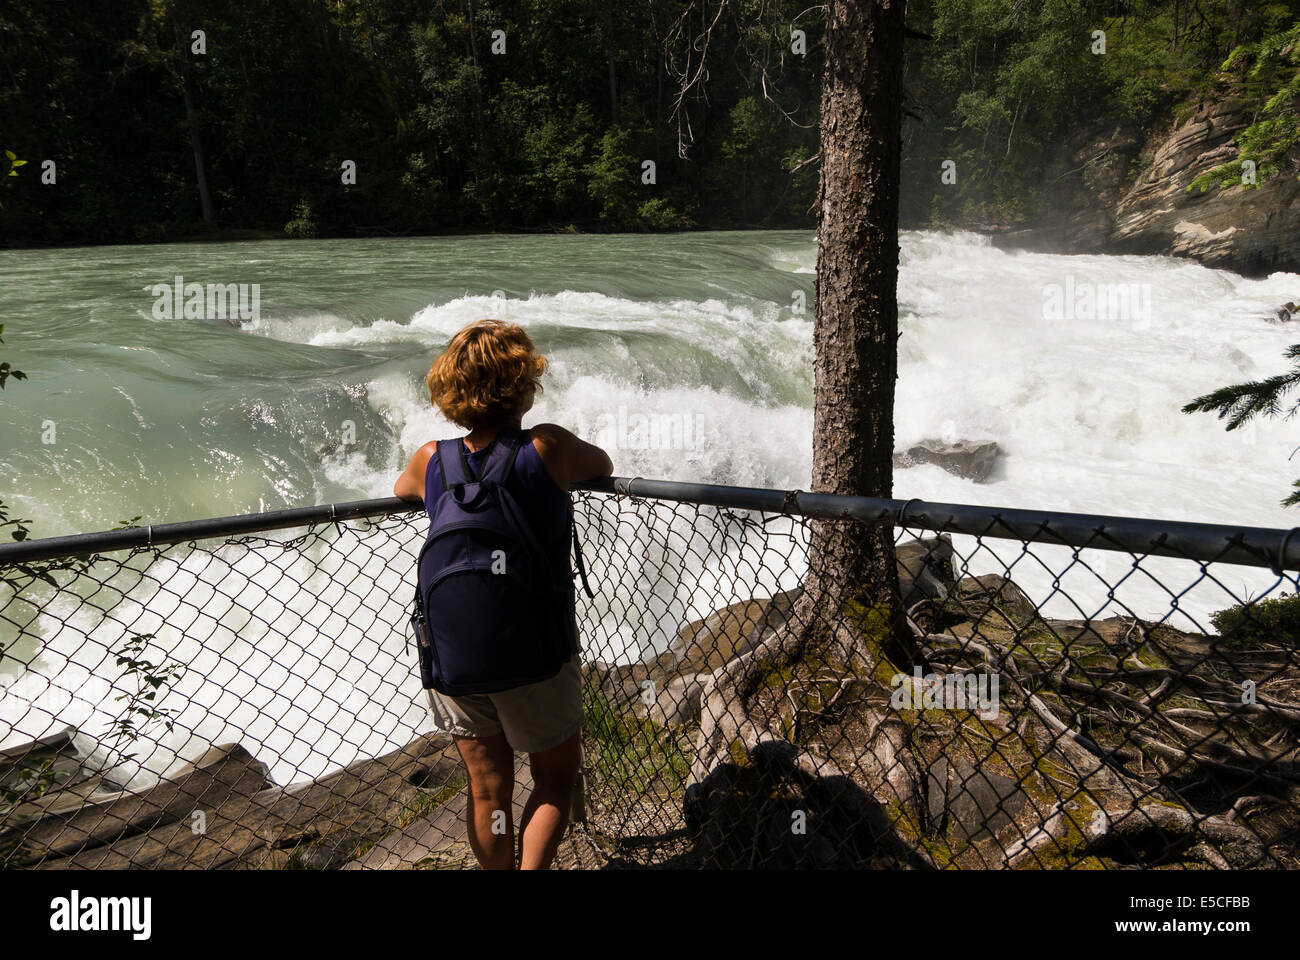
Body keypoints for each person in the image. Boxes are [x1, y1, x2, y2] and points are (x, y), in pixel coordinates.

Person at [393, 318, 613, 870]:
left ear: (449, 392)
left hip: (453, 656)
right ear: (523, 384)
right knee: (554, 779)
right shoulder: (549, 446)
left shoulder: (430, 459)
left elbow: (402, 491)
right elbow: (603, 467)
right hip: (535, 654)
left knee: (488, 791)